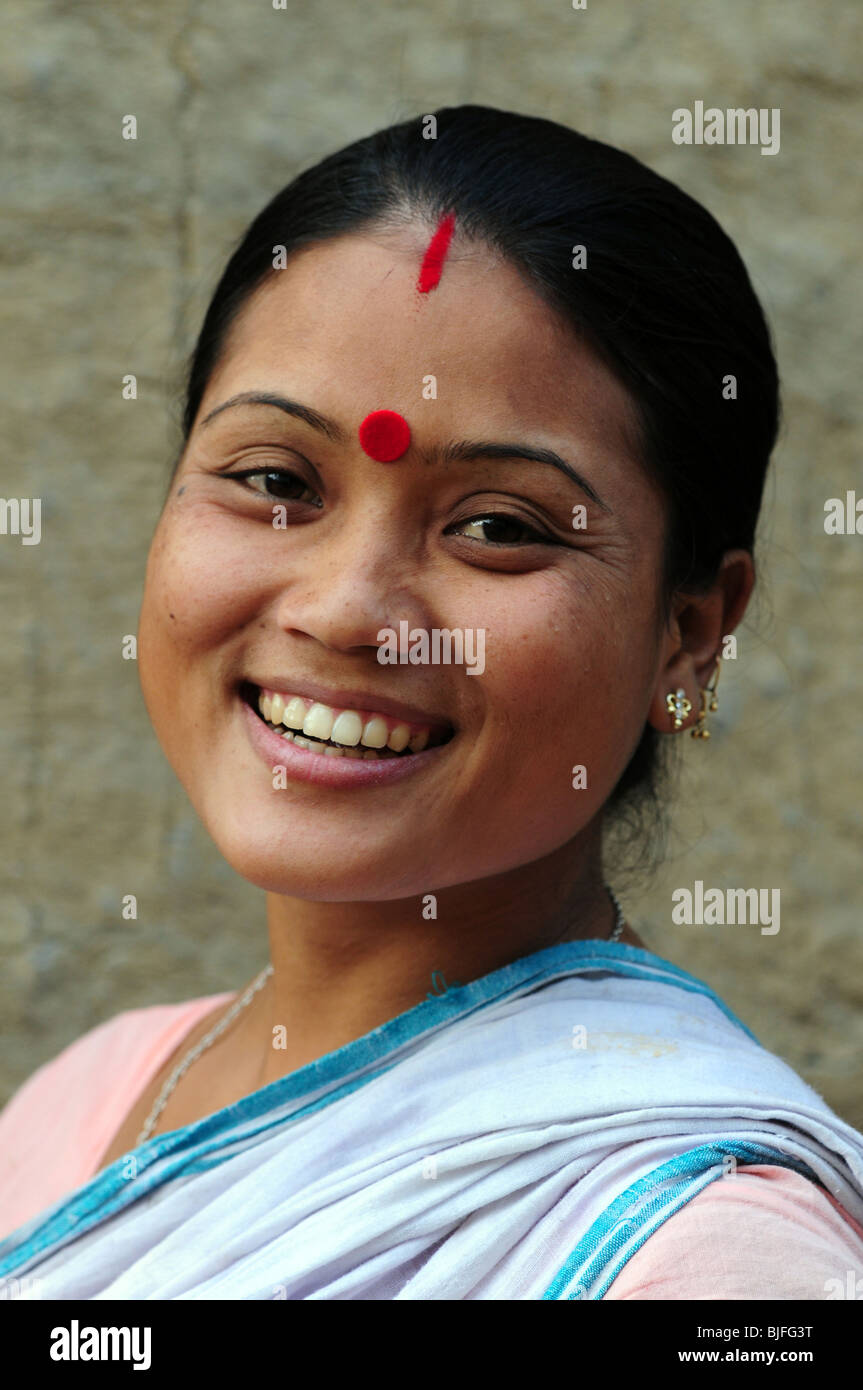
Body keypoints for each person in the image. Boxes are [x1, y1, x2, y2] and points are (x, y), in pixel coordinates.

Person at [1, 105, 862, 1300]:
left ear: (689, 631)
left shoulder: (703, 1253)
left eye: (499, 527)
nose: (350, 609)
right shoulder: (78, 1099)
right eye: (273, 480)